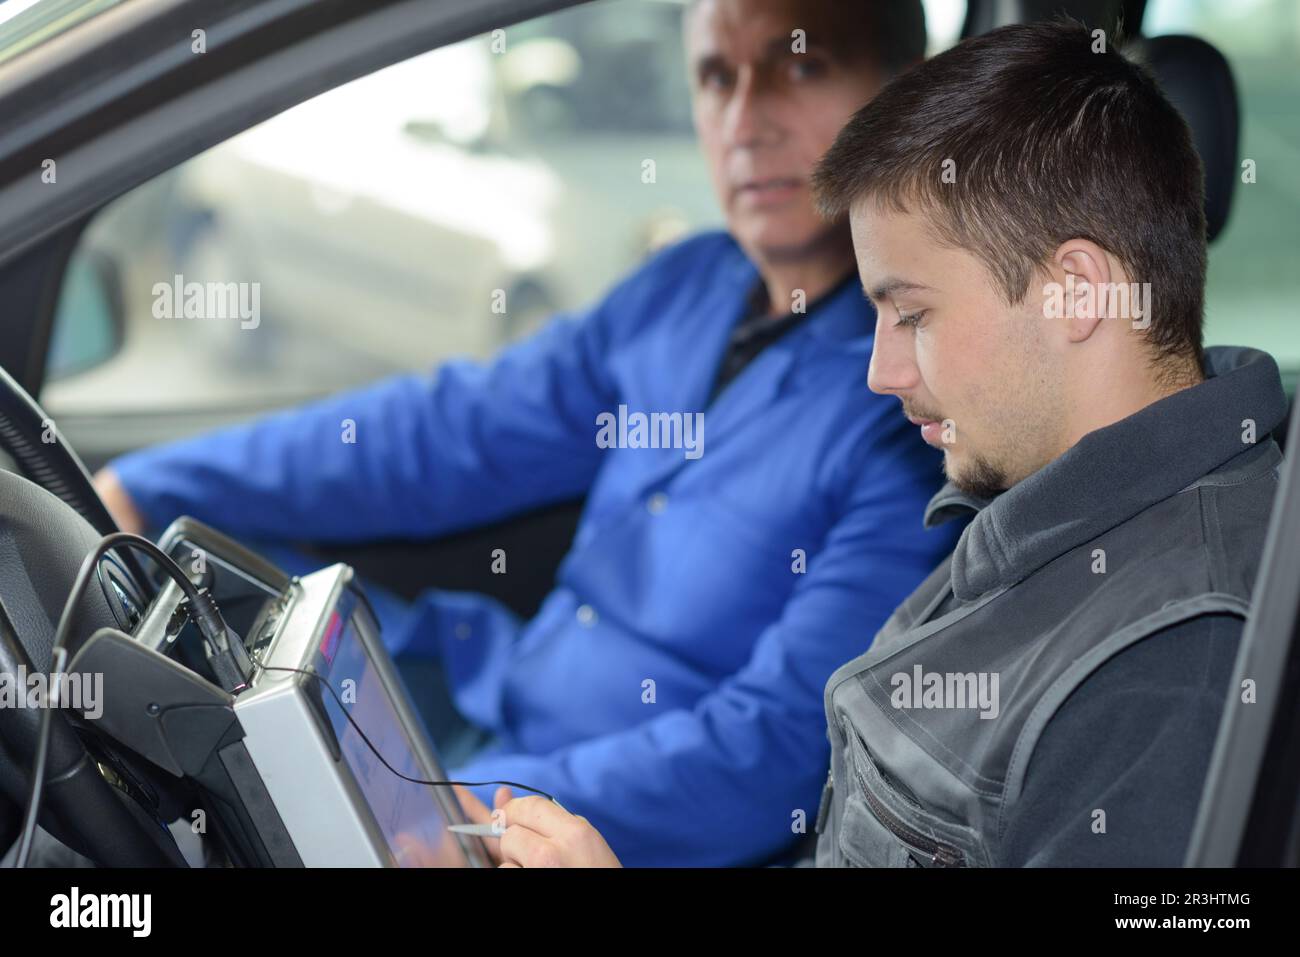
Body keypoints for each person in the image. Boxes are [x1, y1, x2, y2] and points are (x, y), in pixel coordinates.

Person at [94, 0, 955, 867]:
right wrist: (156, 482)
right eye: (714, 77)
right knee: (189, 600)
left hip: (587, 819)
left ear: (898, 97)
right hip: (479, 695)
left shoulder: (912, 399)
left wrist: (477, 807)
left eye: (801, 68)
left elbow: (779, 747)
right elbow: (444, 432)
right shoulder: (684, 288)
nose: (744, 121)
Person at [456, 18, 1288, 868]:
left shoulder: (1173, 666)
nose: (880, 372)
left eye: (913, 314)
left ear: (1076, 293)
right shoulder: (1040, 513)